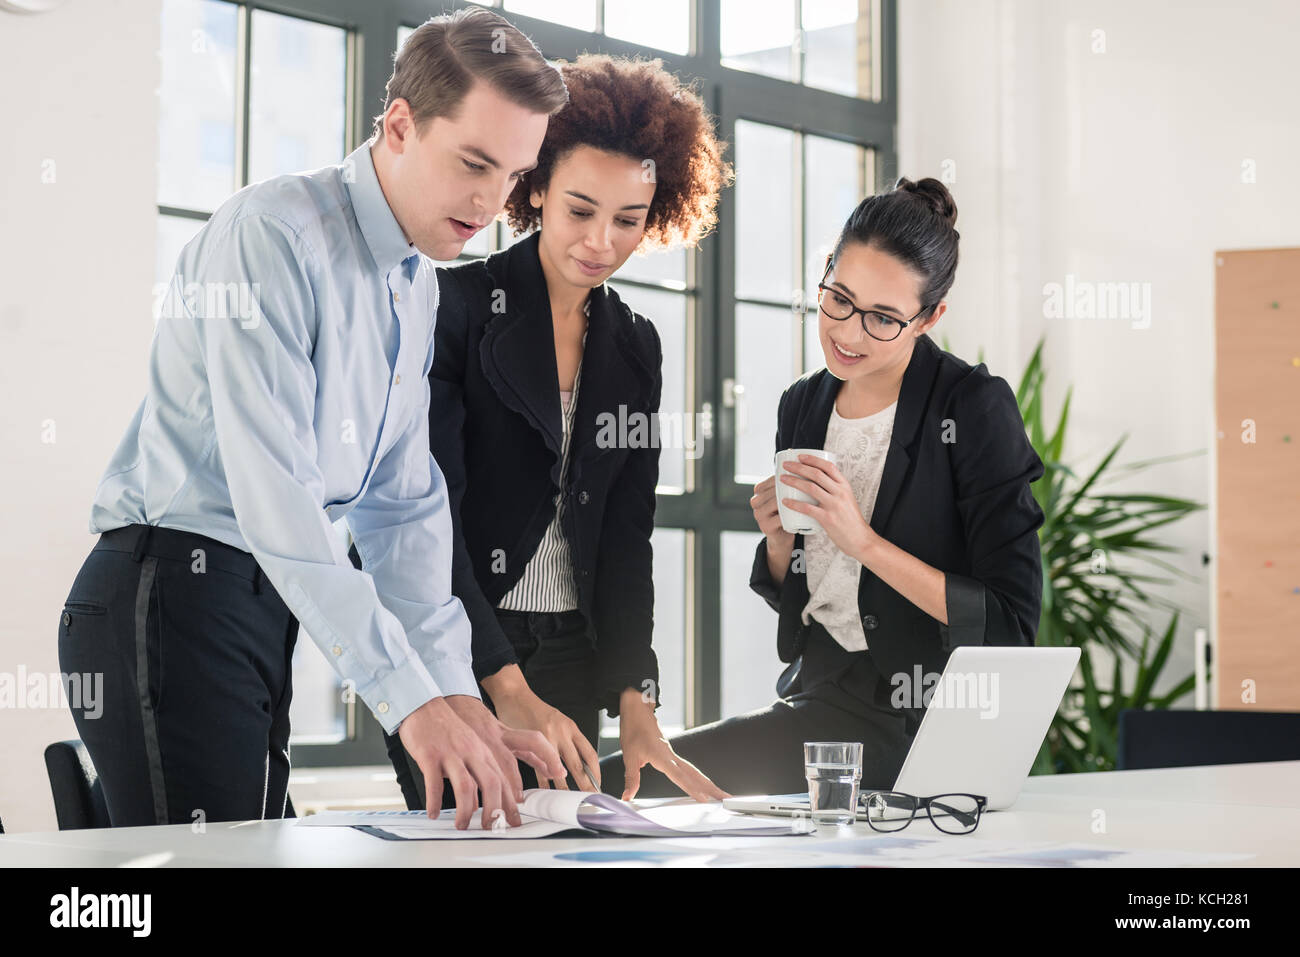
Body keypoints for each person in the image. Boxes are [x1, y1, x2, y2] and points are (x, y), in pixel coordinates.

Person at [58, 8, 572, 831]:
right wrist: (411, 704)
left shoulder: (416, 281)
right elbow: (280, 499)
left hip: (265, 601)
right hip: (169, 589)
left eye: (513, 175)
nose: (492, 201)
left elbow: (402, 510)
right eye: (474, 162)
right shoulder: (273, 236)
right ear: (400, 125)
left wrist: (451, 692)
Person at [600, 177, 1046, 796]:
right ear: (827, 272)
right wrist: (782, 545)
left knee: (633, 783)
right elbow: (809, 598)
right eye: (839, 297)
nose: (849, 333)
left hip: (926, 725)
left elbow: (1009, 623)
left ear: (931, 317)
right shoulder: (805, 403)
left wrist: (861, 540)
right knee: (615, 782)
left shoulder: (971, 406)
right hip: (824, 700)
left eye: (884, 318)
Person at [383, 54, 734, 808]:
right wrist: (501, 679)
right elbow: (424, 519)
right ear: (534, 185)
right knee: (474, 846)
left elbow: (625, 537)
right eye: (580, 209)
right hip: (461, 645)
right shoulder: (455, 307)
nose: (601, 241)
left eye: (629, 220)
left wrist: (637, 699)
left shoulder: (636, 345)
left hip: (576, 655)